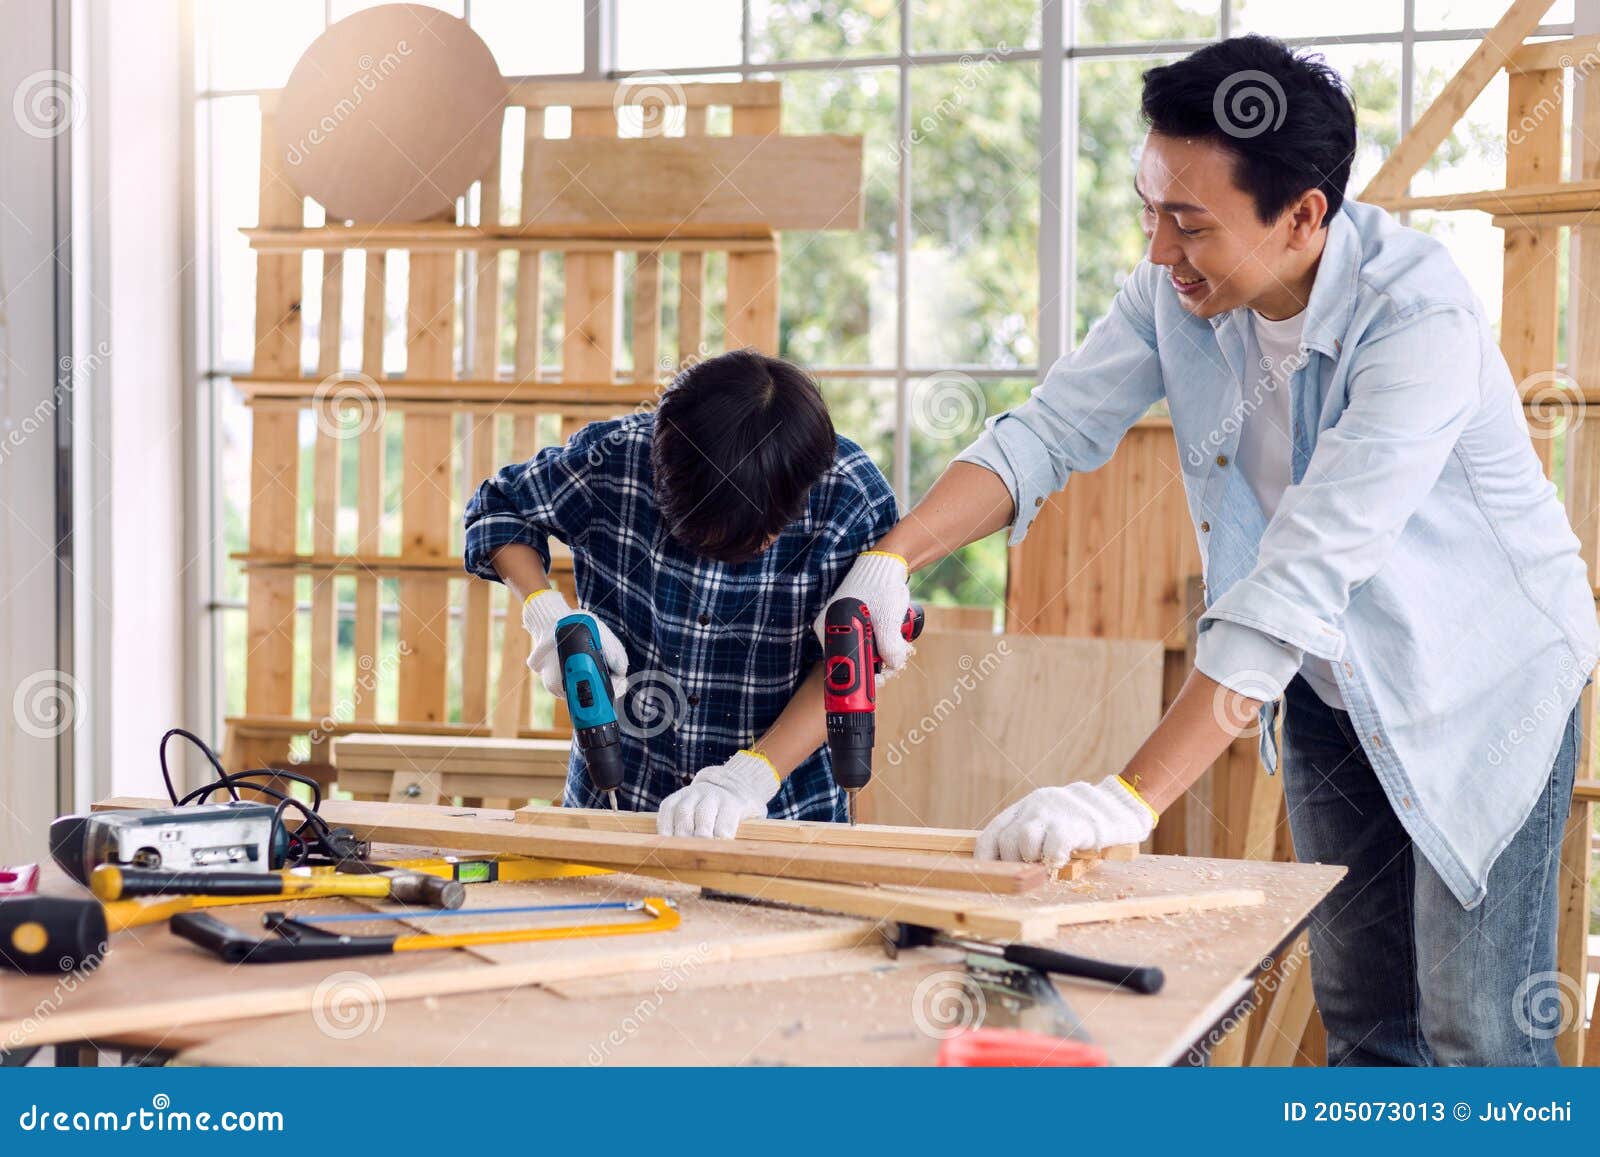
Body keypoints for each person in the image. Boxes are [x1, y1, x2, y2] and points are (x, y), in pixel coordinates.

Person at [821, 35, 1599, 1065]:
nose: (1157, 251)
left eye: (1188, 225)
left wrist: (1125, 796)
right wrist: (893, 556)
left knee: (1474, 1034)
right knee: (1364, 1016)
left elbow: (1299, 578)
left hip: (1480, 686)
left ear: (1303, 215)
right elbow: (1049, 431)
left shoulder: (1416, 320)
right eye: (1149, 212)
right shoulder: (1175, 294)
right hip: (1322, 682)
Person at [464, 349, 898, 838]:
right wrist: (544, 611)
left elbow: (851, 664)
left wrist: (748, 778)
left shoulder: (849, 496)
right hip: (618, 806)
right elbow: (497, 507)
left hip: (786, 816)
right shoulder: (616, 458)